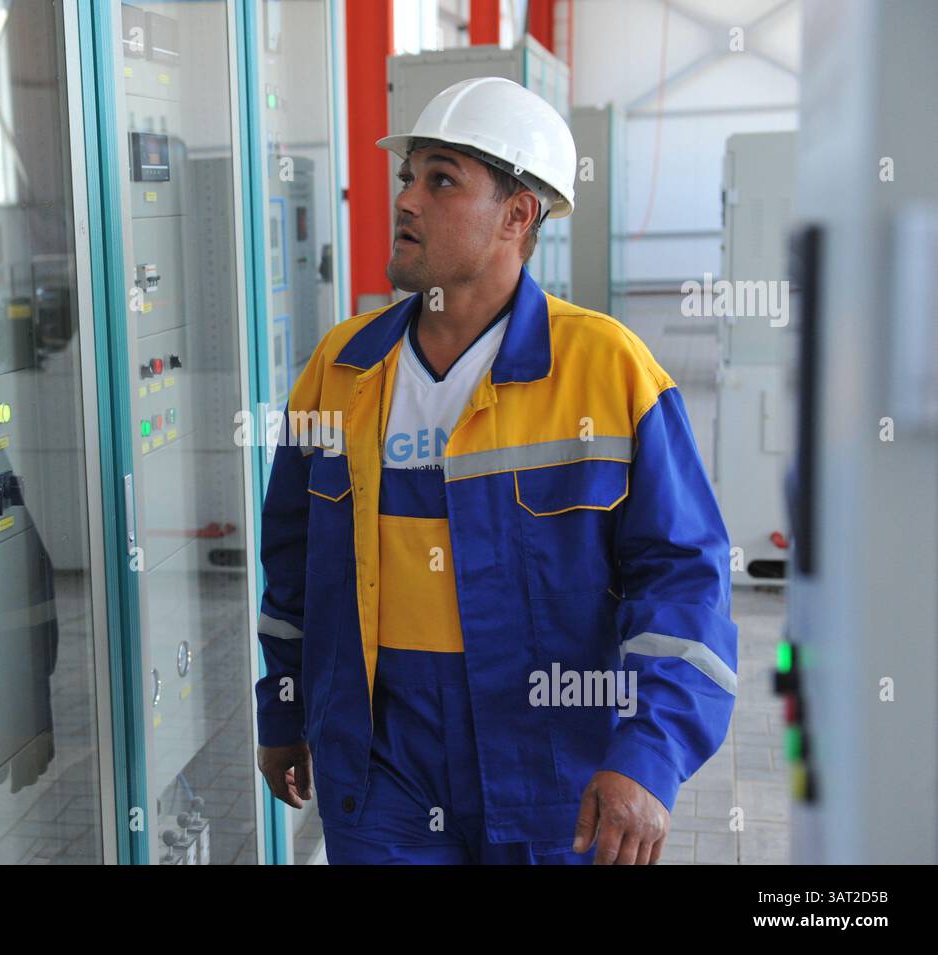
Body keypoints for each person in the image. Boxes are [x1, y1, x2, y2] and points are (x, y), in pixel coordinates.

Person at [254, 76, 737, 865]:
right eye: (409, 176)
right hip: (381, 780)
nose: (407, 200)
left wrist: (652, 752)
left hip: (553, 779)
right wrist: (283, 709)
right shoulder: (337, 372)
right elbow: (291, 570)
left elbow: (684, 576)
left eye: (441, 179)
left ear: (519, 215)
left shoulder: (608, 371)